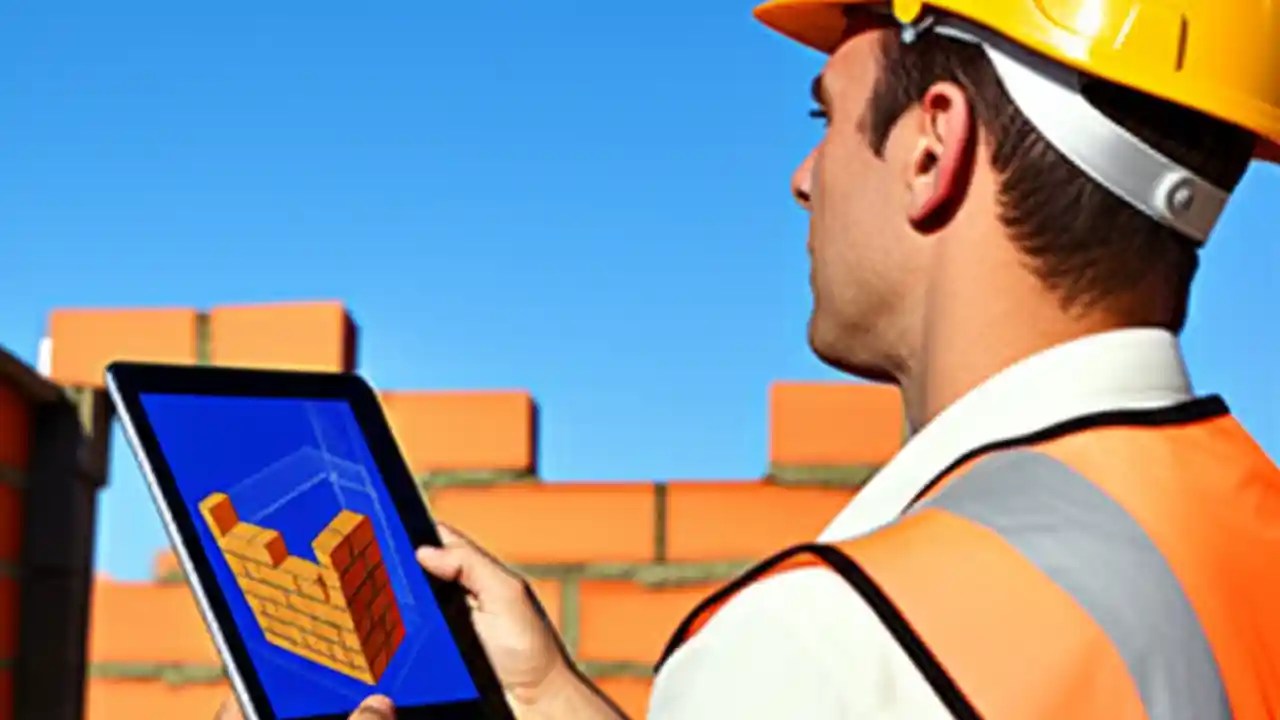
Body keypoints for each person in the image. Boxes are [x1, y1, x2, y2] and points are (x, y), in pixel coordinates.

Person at [219, 0, 1280, 717]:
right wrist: (549, 697)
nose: (803, 177)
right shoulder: (1243, 539)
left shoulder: (822, 642)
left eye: (825, 115)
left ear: (930, 146)